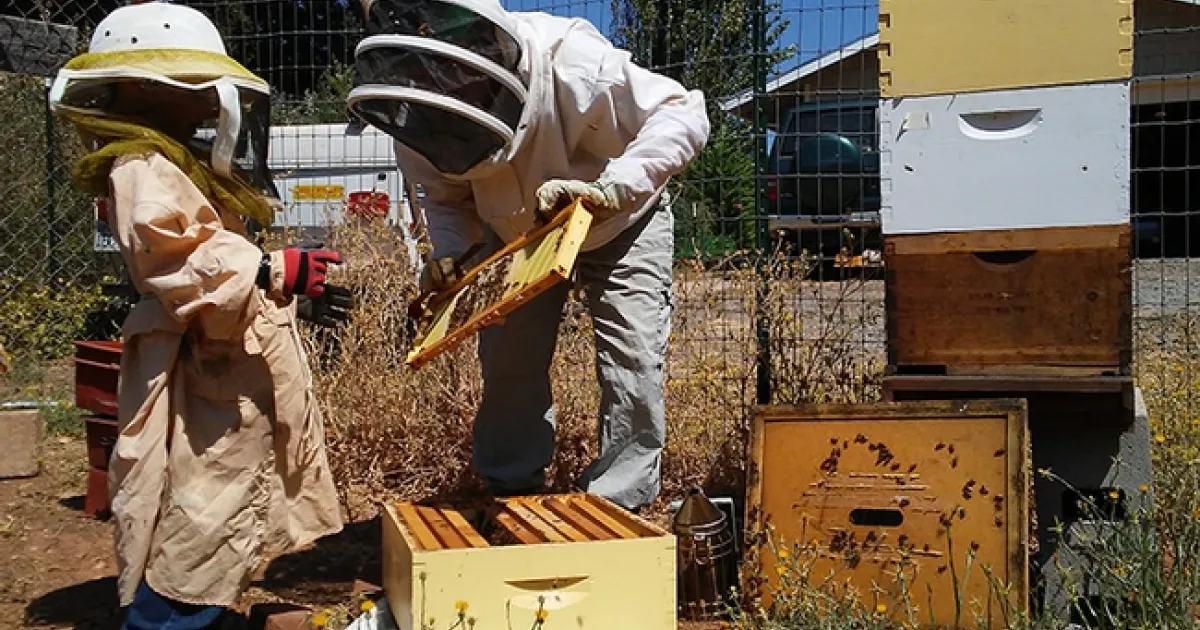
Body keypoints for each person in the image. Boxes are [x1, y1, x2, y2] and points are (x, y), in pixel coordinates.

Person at [49, 3, 352, 628]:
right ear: (143, 87)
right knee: (202, 498)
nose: (210, 102)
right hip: (197, 362)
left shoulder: (165, 160)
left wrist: (275, 279)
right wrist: (267, 271)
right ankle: (166, 618)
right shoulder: (139, 166)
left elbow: (207, 249)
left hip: (223, 356)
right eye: (194, 86)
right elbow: (172, 256)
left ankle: (202, 611)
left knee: (230, 486)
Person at [346, 0, 710, 512]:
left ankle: (619, 502)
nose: (447, 82)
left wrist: (611, 189)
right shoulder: (419, 109)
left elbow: (682, 112)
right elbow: (443, 195)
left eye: (457, 70)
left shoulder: (576, 64)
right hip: (516, 229)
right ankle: (509, 488)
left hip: (623, 218)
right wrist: (450, 254)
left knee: (633, 356)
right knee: (508, 359)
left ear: (479, 44)